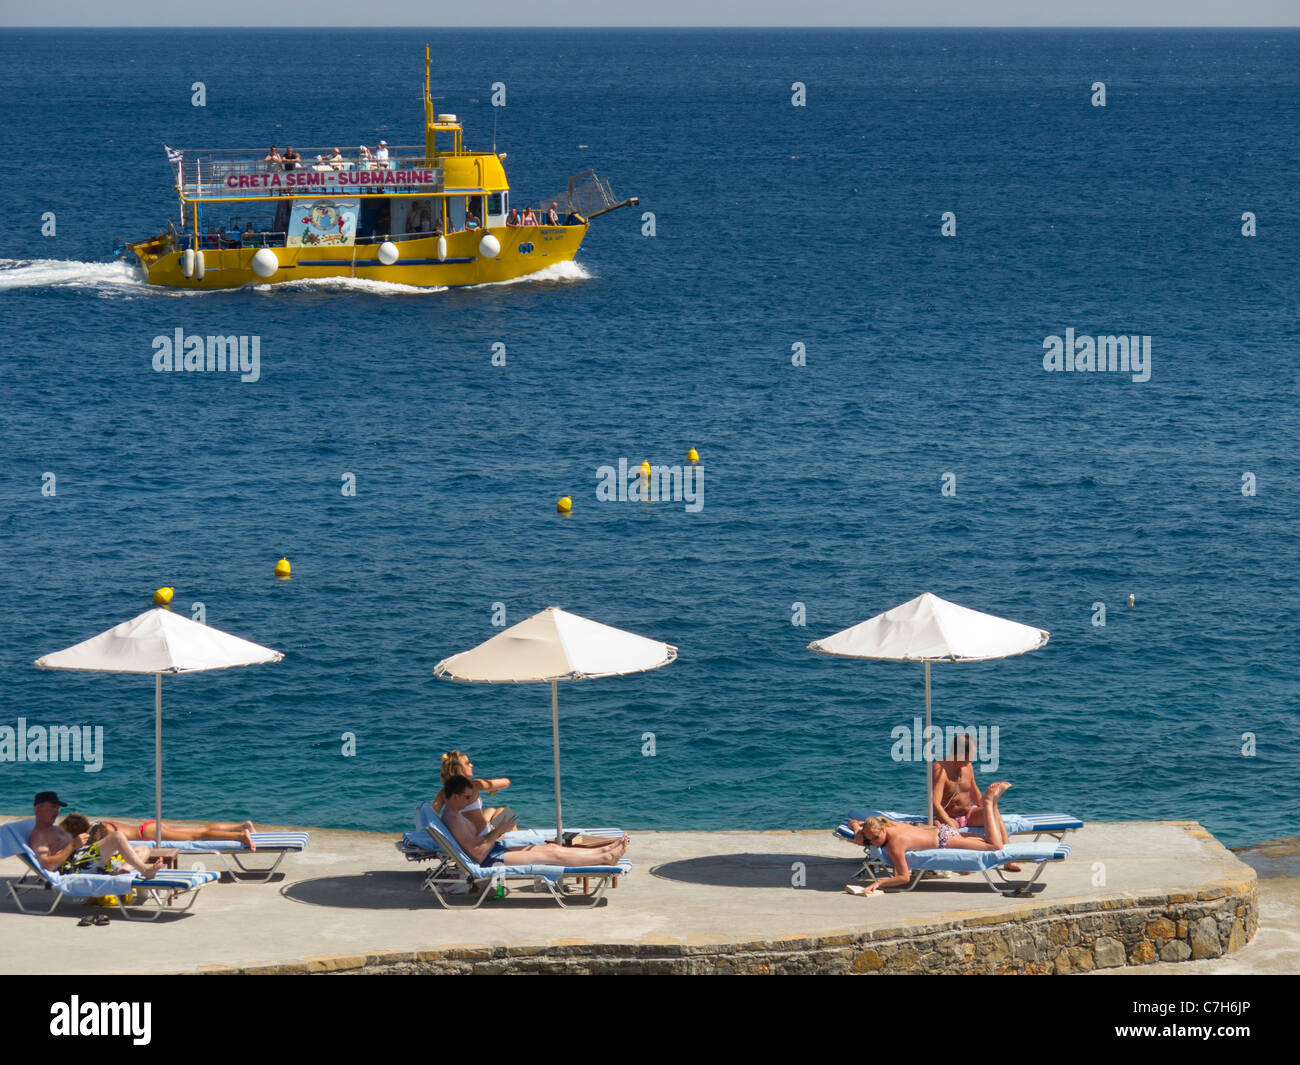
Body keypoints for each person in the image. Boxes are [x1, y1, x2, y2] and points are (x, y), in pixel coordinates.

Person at [845, 782, 1014, 893]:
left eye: (875, 838)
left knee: (995, 846)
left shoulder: (894, 845)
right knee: (987, 839)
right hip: (942, 830)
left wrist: (879, 883)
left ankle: (988, 804)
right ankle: (993, 805)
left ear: (881, 831)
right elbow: (863, 830)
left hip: (945, 840)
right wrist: (856, 826)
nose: (874, 842)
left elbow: (904, 877)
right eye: (871, 840)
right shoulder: (886, 822)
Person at [441, 775, 628, 867]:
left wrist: (498, 829)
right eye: (466, 798)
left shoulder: (454, 816)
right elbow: (477, 855)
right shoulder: (453, 819)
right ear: (455, 797)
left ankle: (603, 850)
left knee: (553, 848)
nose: (468, 801)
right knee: (552, 855)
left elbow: (476, 844)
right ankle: (605, 857)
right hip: (490, 859)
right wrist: (498, 831)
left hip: (493, 850)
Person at [932, 731, 1019, 871]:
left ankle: (1007, 859)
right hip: (949, 817)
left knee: (993, 810)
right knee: (940, 826)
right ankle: (965, 863)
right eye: (971, 754)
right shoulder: (940, 769)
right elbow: (935, 803)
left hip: (968, 814)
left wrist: (986, 807)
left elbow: (974, 793)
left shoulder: (968, 767)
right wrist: (949, 822)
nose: (973, 758)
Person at [27, 793, 162, 879]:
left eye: (57, 808)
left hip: (83, 858)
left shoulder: (54, 829)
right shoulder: (39, 835)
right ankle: (145, 871)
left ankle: (121, 873)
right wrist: (74, 845)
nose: (56, 811)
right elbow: (49, 865)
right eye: (52, 807)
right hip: (73, 868)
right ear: (38, 809)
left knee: (143, 849)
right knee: (117, 836)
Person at [431, 750, 509, 836]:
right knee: (505, 813)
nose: (472, 765)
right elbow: (506, 782)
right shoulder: (474, 785)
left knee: (491, 810)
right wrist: (492, 787)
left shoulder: (443, 792)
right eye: (467, 763)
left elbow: (432, 814)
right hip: (483, 836)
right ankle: (517, 843)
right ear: (459, 768)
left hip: (464, 836)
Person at [93, 815, 258, 850]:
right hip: (148, 826)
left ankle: (239, 836)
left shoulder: (101, 832)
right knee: (199, 830)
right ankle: (242, 825)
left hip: (147, 834)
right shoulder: (104, 824)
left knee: (197, 835)